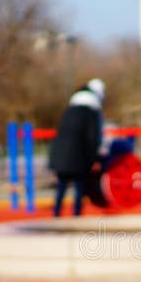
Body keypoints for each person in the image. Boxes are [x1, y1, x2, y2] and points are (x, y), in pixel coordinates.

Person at [48, 79, 105, 217]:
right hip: (79, 158)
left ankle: (56, 214)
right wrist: (95, 158)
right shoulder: (91, 113)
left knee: (61, 187)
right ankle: (76, 216)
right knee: (79, 187)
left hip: (62, 158)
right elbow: (93, 137)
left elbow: (59, 136)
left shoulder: (69, 111)